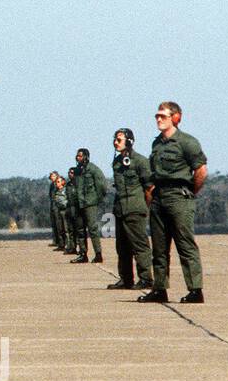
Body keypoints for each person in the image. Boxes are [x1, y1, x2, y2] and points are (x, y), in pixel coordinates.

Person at [139, 101, 207, 304]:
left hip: (179, 197)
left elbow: (201, 171)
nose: (158, 119)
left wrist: (189, 193)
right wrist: (152, 195)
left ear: (176, 117)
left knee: (185, 245)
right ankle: (160, 288)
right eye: (157, 116)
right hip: (159, 197)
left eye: (163, 116)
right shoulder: (157, 144)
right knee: (159, 248)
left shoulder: (187, 142)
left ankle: (195, 289)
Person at [108, 128, 153, 290]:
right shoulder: (117, 162)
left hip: (135, 209)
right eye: (115, 139)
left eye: (119, 139)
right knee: (122, 247)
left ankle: (146, 278)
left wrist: (143, 206)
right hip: (120, 209)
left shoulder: (141, 161)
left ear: (129, 141)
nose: (115, 142)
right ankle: (126, 279)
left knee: (139, 245)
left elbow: (150, 187)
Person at [71, 148, 107, 263]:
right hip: (79, 204)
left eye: (80, 156)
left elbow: (102, 185)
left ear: (86, 156)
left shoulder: (93, 169)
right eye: (77, 156)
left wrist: (96, 199)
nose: (78, 158)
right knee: (80, 230)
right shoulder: (76, 171)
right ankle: (83, 254)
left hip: (90, 203)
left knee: (93, 229)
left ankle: (98, 253)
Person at [63, 166, 81, 254]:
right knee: (70, 230)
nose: (70, 174)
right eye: (69, 173)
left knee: (79, 229)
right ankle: (72, 247)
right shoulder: (68, 185)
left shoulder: (79, 184)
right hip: (69, 208)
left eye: (72, 173)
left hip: (77, 208)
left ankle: (81, 248)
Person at [51, 173, 68, 251]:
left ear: (62, 182)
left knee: (66, 229)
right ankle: (61, 245)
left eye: (58, 181)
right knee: (59, 229)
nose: (56, 183)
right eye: (56, 182)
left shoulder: (65, 190)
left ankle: (68, 245)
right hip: (58, 210)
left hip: (65, 211)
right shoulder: (56, 191)